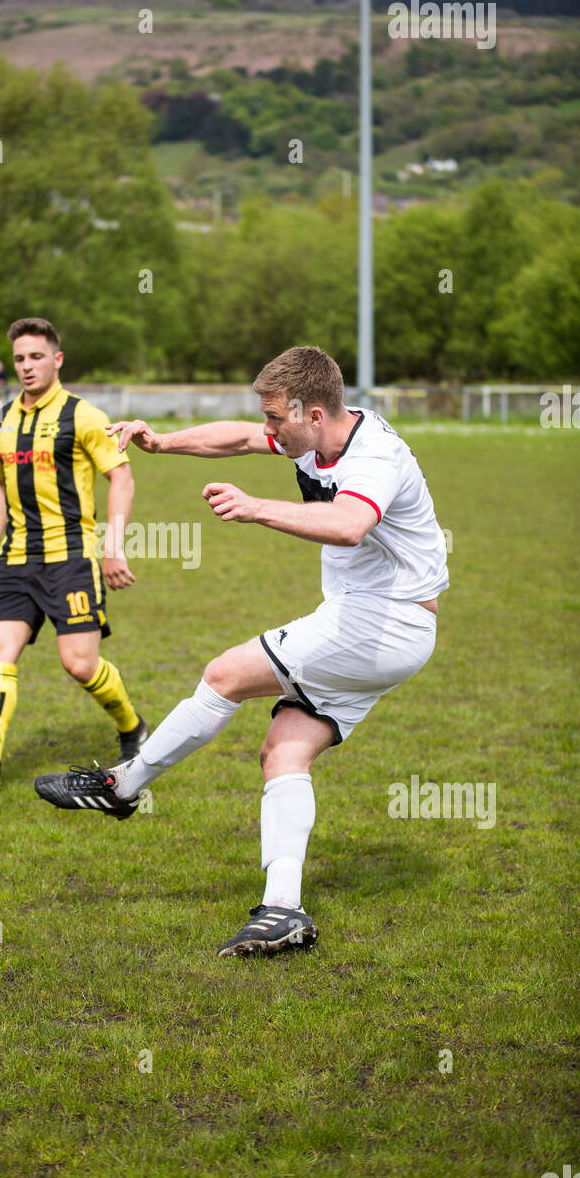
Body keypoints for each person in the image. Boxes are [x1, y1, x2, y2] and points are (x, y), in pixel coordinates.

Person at [33, 345, 449, 959]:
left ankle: (124, 784)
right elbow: (239, 440)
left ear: (312, 414)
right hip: (376, 627)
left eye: (277, 417)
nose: (269, 429)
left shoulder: (375, 456)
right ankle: (283, 912)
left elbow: (348, 525)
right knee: (284, 751)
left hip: (384, 623)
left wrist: (255, 508)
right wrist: (164, 441)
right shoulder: (320, 432)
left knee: (224, 673)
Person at [0, 316, 149, 792]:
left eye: (35, 357)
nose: (26, 367)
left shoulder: (85, 417)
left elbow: (122, 477)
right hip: (15, 560)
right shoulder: (0, 420)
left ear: (57, 359)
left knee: (80, 664)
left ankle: (133, 728)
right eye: (19, 359)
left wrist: (113, 549)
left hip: (70, 557)